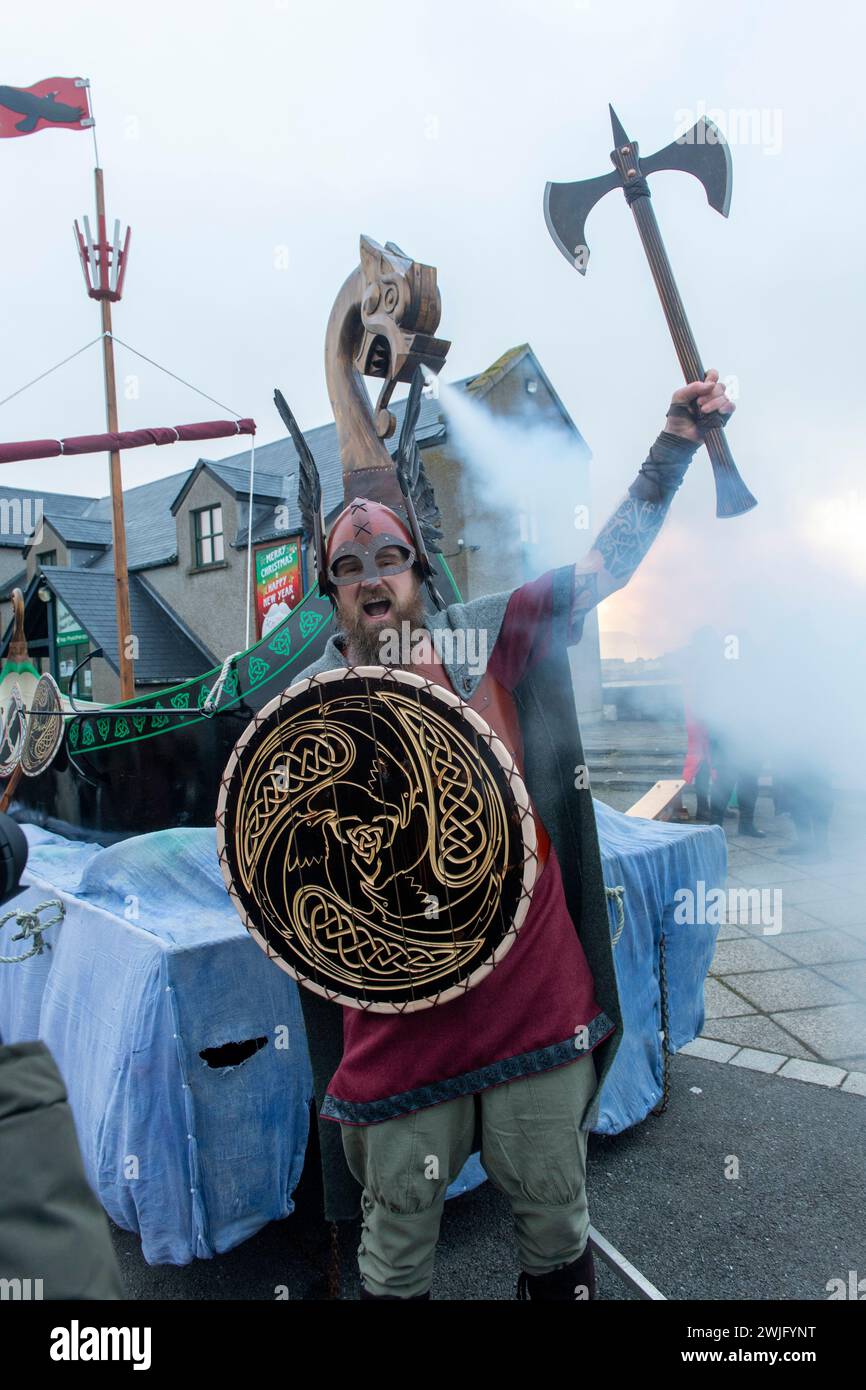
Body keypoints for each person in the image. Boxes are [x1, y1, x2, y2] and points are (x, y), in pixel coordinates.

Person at [291, 369, 735, 1300]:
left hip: (531, 1002)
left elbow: (600, 570)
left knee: (552, 1222)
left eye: (389, 560)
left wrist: (673, 447)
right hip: (399, 1034)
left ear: (419, 567)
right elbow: (289, 886)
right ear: (329, 592)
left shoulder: (489, 640)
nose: (373, 579)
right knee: (397, 1254)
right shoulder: (302, 722)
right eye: (350, 568)